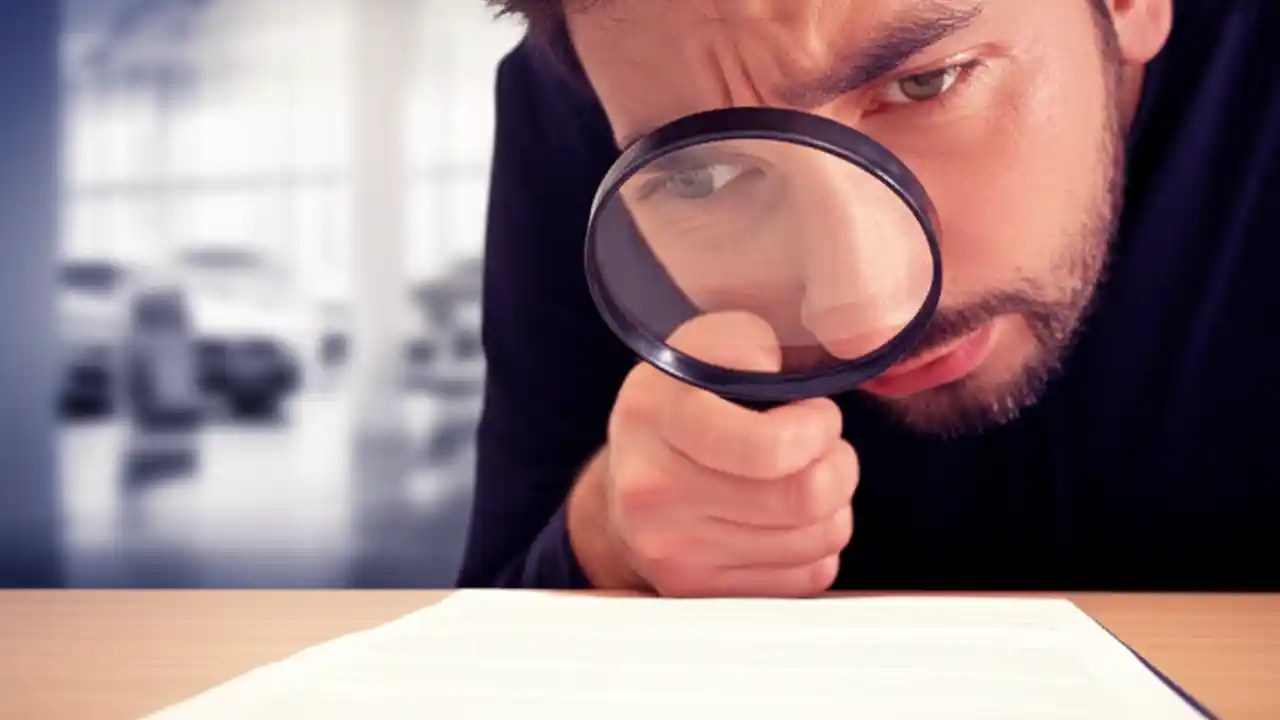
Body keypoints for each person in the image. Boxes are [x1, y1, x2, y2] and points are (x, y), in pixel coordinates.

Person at [458, 0, 1280, 597]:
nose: (864, 318)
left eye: (926, 84)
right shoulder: (589, 99)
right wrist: (609, 537)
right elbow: (478, 637)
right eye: (702, 174)